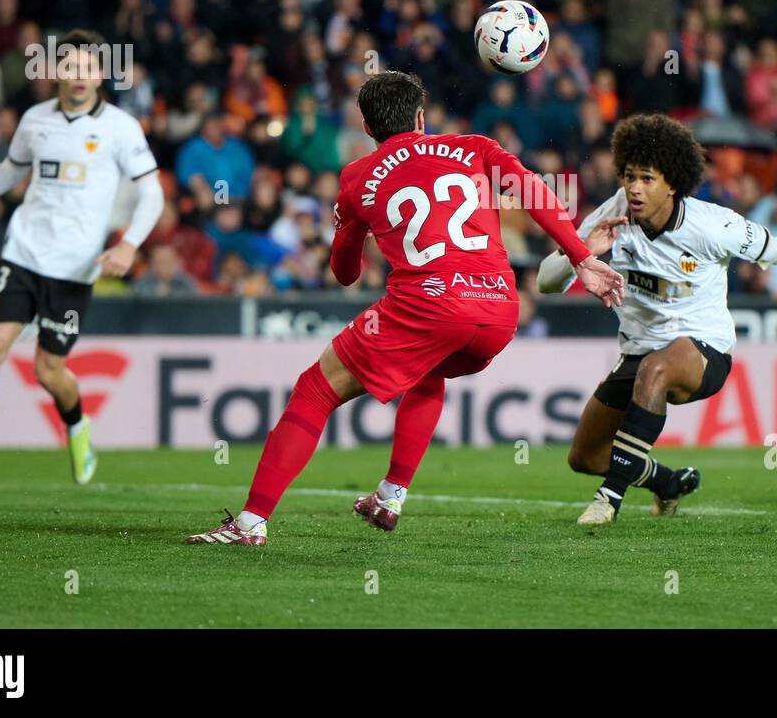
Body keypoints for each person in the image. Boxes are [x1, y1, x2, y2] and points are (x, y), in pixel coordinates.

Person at [185, 71, 623, 544]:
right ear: (420, 116)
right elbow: (535, 192)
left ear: (368, 128)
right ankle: (390, 495)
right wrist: (581, 257)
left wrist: (353, 226)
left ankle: (250, 523)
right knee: (426, 370)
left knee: (315, 389)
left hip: (430, 304)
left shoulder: (357, 177)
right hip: (499, 308)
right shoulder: (476, 147)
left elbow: (345, 272)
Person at [537, 113, 777, 525]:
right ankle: (668, 482)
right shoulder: (613, 213)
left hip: (704, 350)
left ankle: (610, 498)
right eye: (629, 176)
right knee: (584, 456)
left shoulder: (712, 226)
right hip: (638, 353)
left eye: (647, 179)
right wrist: (581, 250)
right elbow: (548, 284)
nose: (635, 188)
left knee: (656, 370)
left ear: (672, 182)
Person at [0, 29, 164, 491]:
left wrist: (130, 244)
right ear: (55, 71)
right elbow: (11, 170)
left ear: (101, 74)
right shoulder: (35, 119)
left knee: (47, 370)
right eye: (70, 66)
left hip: (75, 270)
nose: (79, 76)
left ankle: (77, 426)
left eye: (88, 67)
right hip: (23, 254)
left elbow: (151, 192)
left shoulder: (120, 127)